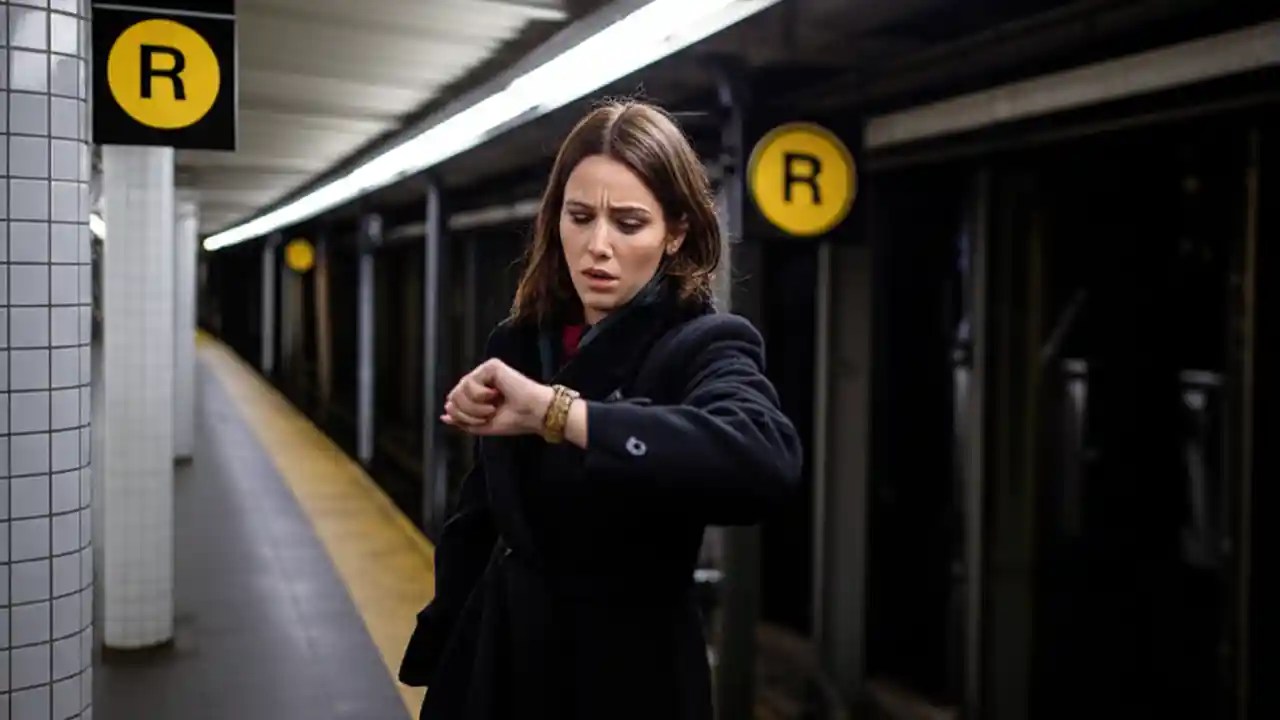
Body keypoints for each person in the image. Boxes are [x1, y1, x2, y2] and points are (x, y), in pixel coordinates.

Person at [398, 99, 803, 720]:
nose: (597, 247)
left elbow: (762, 459)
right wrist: (446, 642)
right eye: (580, 217)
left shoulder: (700, 344)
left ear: (676, 234)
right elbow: (480, 516)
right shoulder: (518, 340)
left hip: (624, 677)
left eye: (630, 223)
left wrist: (558, 414)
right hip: (495, 663)